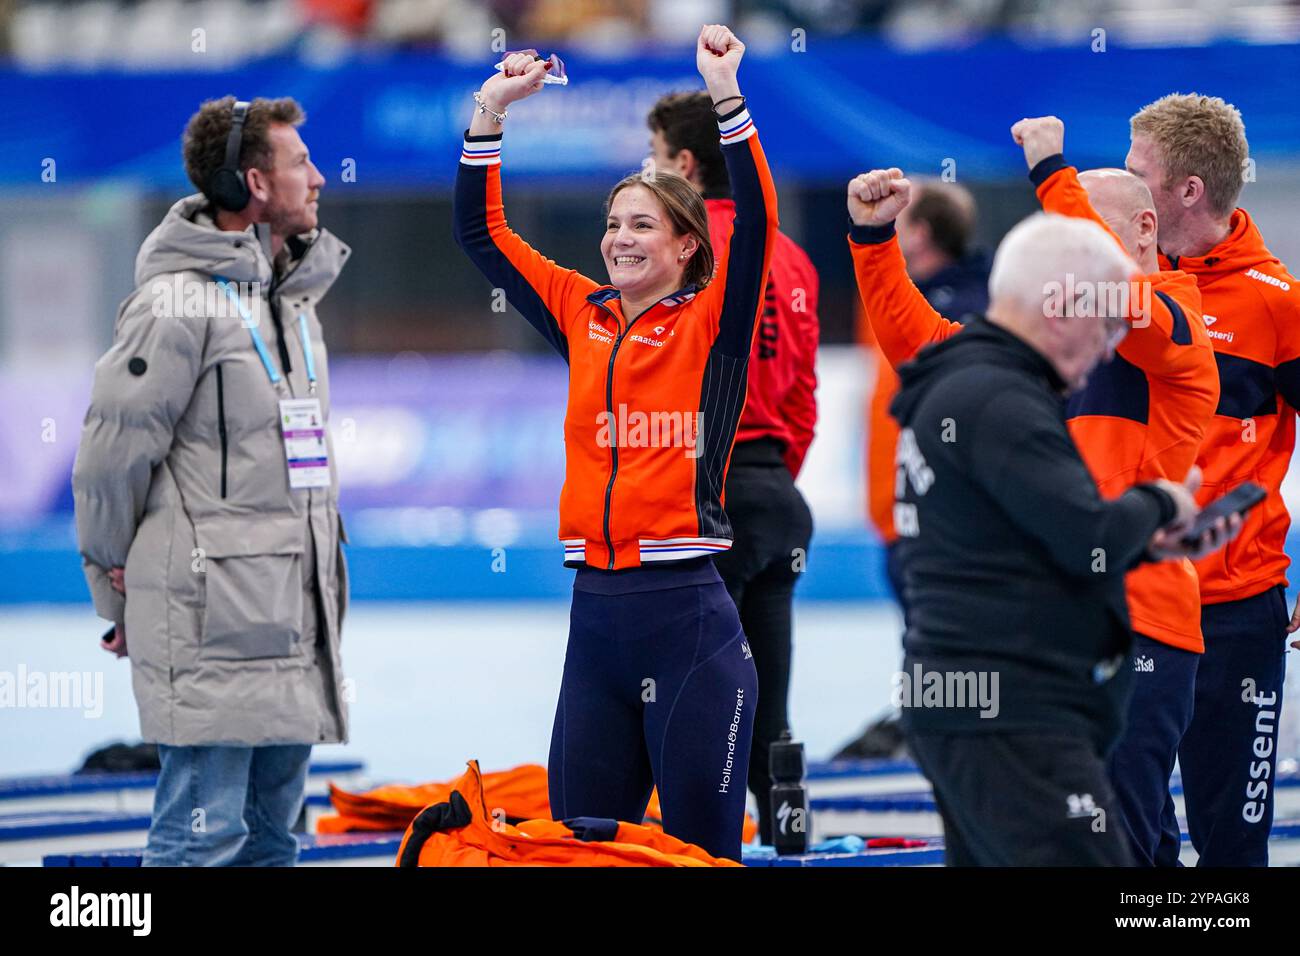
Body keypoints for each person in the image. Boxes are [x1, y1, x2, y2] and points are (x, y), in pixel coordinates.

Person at [452, 25, 778, 861]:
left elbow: (761, 229)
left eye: (641, 225)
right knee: (579, 852)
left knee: (701, 857)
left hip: (691, 623)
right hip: (594, 617)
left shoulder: (714, 322)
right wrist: (491, 110)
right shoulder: (578, 310)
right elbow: (484, 236)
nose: (619, 237)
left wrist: (726, 96)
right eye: (611, 223)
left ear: (687, 245)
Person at [849, 193, 1237, 864]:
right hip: (1027, 681)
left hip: (1083, 645)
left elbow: (1127, 311)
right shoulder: (1000, 388)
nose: (1106, 337)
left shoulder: (1159, 324)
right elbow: (1085, 535)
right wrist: (1161, 507)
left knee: (1147, 839)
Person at [72, 96, 351, 866]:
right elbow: (107, 462)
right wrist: (116, 593)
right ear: (255, 183)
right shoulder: (174, 304)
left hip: (293, 614)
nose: (320, 177)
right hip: (208, 620)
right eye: (301, 163)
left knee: (271, 840)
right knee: (205, 839)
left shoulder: (292, 300)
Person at [1009, 116, 1220, 865]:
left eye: (1079, 234)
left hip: (1146, 622)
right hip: (1067, 621)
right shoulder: (1055, 340)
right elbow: (926, 345)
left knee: (1114, 842)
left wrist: (1049, 172)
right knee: (1136, 843)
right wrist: (874, 249)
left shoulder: (1175, 314)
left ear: (1141, 230)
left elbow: (1123, 303)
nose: (1062, 256)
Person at [1126, 93, 1300, 866]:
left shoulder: (1280, 306)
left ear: (1188, 190)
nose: (1128, 191)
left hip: (1236, 616)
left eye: (1139, 175)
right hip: (1134, 610)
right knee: (1129, 837)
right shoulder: (1125, 290)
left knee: (1233, 854)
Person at [647, 89, 819, 844]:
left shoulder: (679, 251)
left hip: (708, 499)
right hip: (778, 495)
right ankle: (790, 837)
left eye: (655, 160)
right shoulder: (792, 254)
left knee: (695, 698)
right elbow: (806, 396)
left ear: (685, 164)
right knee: (769, 705)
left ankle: (696, 849)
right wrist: (771, 478)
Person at [836, 180, 990, 762]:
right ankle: (934, 735)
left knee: (947, 646)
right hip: (900, 515)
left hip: (936, 519)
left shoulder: (958, 308)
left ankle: (950, 744)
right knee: (926, 644)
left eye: (896, 220)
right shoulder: (901, 297)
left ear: (920, 232)